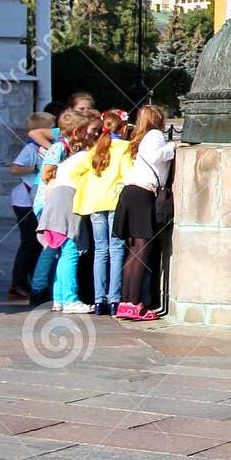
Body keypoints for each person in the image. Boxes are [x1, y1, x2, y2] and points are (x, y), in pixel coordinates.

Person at [68, 108, 133, 315]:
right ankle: (114, 299)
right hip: (114, 202)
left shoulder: (96, 148)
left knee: (100, 251)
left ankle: (98, 300)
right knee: (116, 250)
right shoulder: (125, 147)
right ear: (122, 128)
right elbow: (129, 175)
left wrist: (89, 184)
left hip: (94, 203)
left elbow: (74, 171)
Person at [114, 104, 174, 322]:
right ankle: (134, 304)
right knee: (142, 249)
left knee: (134, 250)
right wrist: (174, 148)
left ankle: (126, 301)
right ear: (159, 119)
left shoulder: (141, 137)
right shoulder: (155, 135)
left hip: (130, 192)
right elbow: (157, 155)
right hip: (142, 193)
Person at [33, 117, 95, 314]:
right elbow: (46, 174)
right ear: (77, 133)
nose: (90, 135)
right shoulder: (67, 150)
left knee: (61, 251)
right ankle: (70, 299)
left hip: (55, 201)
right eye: (87, 131)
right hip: (61, 200)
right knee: (70, 250)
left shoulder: (72, 154)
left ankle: (59, 299)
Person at [7, 112, 55, 302]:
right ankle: (17, 283)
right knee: (29, 242)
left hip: (33, 199)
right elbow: (14, 168)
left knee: (35, 243)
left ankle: (27, 279)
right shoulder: (31, 148)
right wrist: (35, 168)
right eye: (51, 125)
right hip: (24, 201)